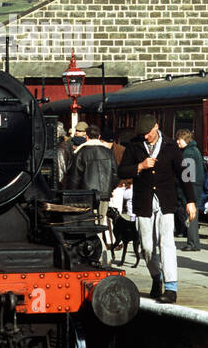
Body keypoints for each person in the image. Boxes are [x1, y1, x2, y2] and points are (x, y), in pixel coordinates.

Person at [119, 116, 195, 303]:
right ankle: (156, 277)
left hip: (166, 202)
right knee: (147, 247)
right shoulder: (134, 145)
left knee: (166, 243)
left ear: (156, 127)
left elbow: (184, 173)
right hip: (143, 202)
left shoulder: (171, 146)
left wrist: (191, 200)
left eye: (149, 133)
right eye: (143, 134)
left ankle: (171, 287)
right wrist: (140, 166)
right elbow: (121, 171)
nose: (146, 137)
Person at [66, 123, 118, 256]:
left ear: (87, 137)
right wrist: (109, 188)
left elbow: (75, 177)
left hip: (86, 195)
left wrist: (72, 194)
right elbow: (115, 174)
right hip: (105, 195)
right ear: (99, 136)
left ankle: (95, 251)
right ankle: (103, 252)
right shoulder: (108, 152)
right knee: (101, 223)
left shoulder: (81, 153)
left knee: (89, 225)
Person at [175, 129, 206, 252]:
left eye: (179, 140)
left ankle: (192, 243)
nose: (177, 142)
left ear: (186, 140)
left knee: (191, 215)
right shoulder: (194, 150)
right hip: (196, 187)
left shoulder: (188, 153)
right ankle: (193, 242)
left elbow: (187, 175)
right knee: (193, 214)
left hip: (191, 188)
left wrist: (185, 192)